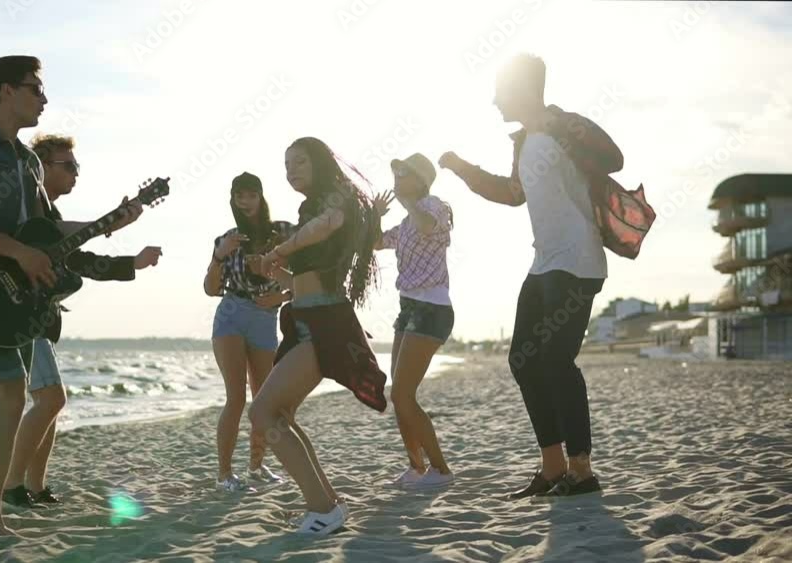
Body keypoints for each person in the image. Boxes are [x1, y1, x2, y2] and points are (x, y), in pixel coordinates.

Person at [0, 56, 142, 536]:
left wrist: (110, 223)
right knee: (8, 397)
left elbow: (48, 232)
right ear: (7, 91)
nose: (44, 99)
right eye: (35, 89)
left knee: (3, 402)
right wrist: (18, 254)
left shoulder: (28, 161)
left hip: (18, 296)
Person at [439, 53, 624, 498]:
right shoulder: (522, 141)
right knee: (522, 360)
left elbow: (614, 158)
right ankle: (552, 465)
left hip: (577, 262)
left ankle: (582, 470)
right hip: (544, 262)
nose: (493, 100)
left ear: (521, 88)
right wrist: (463, 169)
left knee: (556, 362)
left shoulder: (563, 125)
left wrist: (559, 126)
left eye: (500, 90)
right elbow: (511, 193)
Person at [0, 133, 163, 508]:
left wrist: (131, 263)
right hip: (15, 311)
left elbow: (77, 260)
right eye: (69, 165)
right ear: (43, 166)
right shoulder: (27, 211)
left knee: (51, 403)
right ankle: (12, 484)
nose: (76, 173)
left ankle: (35, 486)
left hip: (36, 315)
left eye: (77, 166)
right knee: (50, 399)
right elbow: (60, 242)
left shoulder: (48, 217)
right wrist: (112, 225)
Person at [252, 137, 387, 535]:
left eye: (299, 162)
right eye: (286, 164)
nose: (291, 170)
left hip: (323, 321)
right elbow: (304, 281)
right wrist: (273, 271)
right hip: (307, 317)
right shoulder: (313, 205)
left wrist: (281, 249)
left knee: (262, 413)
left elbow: (328, 224)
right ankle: (328, 504)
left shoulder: (332, 199)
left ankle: (323, 509)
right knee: (278, 414)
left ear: (321, 163)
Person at [203, 172, 295, 492]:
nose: (245, 202)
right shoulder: (227, 240)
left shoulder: (283, 232)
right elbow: (209, 288)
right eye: (238, 196)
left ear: (260, 197)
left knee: (264, 401)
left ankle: (256, 467)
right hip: (232, 313)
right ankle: (225, 475)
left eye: (250, 195)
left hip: (266, 318)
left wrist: (281, 298)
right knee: (236, 398)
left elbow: (305, 277)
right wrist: (219, 255)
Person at [373, 152, 455, 490]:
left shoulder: (437, 207)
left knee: (404, 395)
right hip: (408, 309)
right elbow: (376, 243)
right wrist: (375, 217)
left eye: (403, 172)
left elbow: (427, 225)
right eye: (395, 172)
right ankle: (416, 467)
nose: (396, 177)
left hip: (432, 308)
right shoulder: (405, 223)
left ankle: (441, 470)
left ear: (420, 179)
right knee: (399, 395)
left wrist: (408, 203)